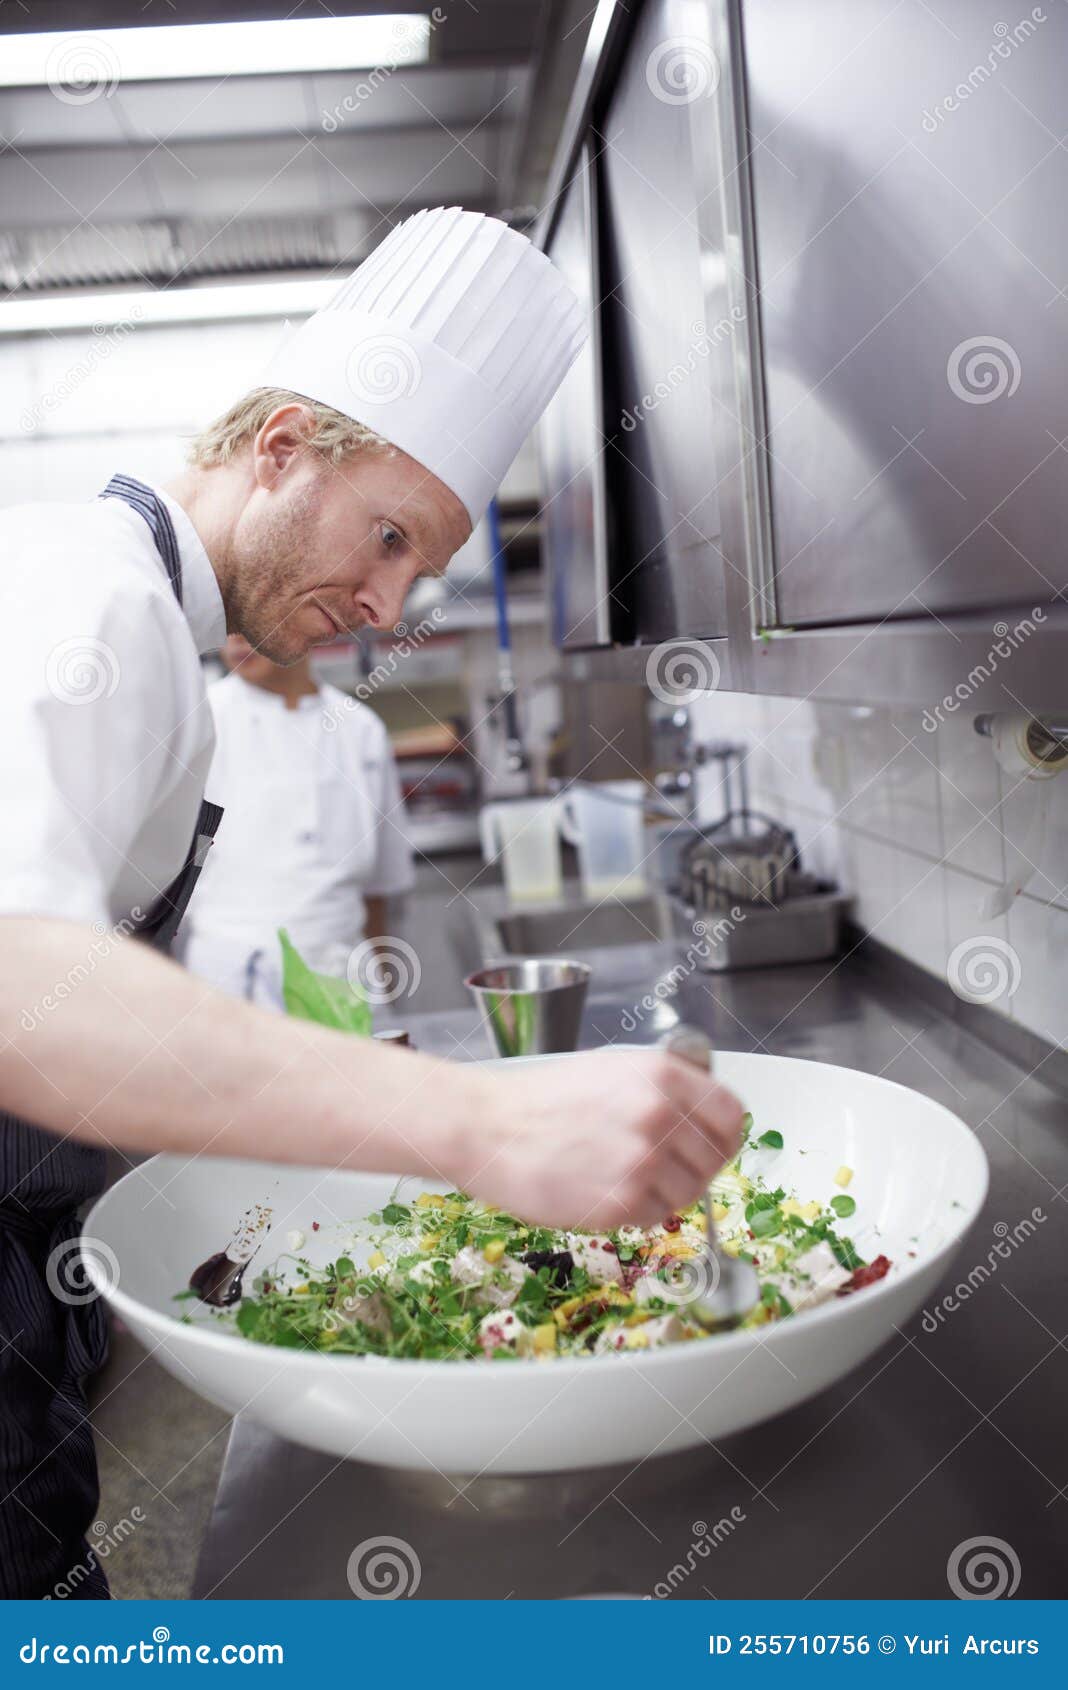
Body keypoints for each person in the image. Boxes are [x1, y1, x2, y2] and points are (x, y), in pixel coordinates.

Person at [0, 207, 745, 1599]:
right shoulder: (95, 607)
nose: (394, 602)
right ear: (281, 447)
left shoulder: (153, 618)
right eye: (389, 534)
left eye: (424, 567)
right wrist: (477, 1123)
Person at [178, 634, 413, 1009]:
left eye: (251, 622)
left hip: (342, 977)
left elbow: (380, 886)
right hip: (231, 981)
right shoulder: (200, 720)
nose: (236, 639)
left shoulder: (360, 730)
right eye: (229, 622)